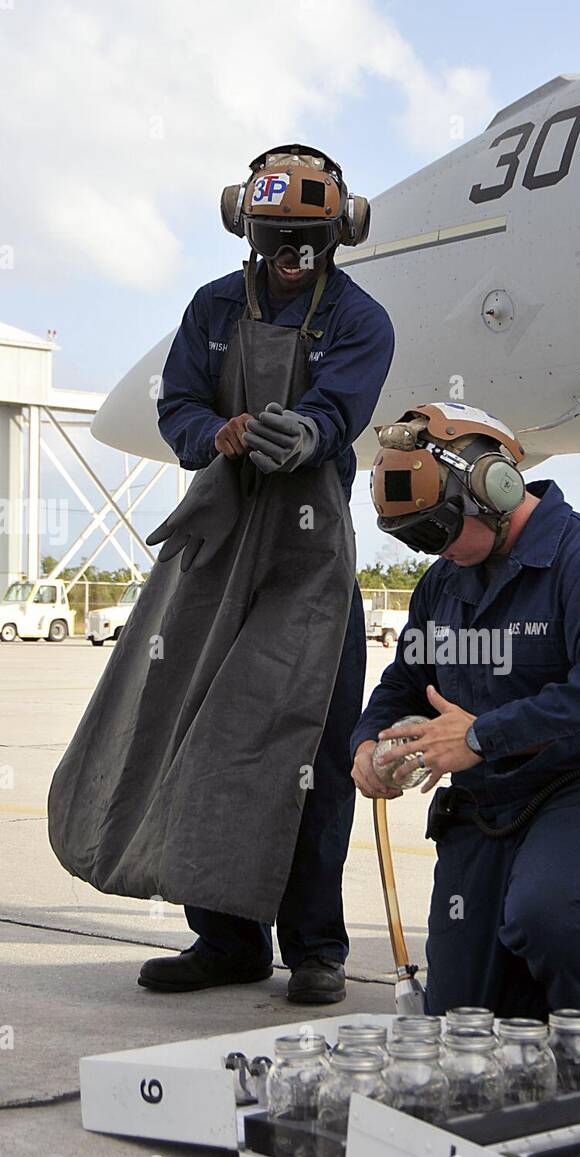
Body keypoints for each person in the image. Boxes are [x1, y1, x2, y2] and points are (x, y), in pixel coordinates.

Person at [137, 144, 395, 1005]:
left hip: (307, 556)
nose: (291, 255)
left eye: (307, 240)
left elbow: (337, 410)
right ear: (245, 228)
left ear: (338, 236)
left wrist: (308, 434)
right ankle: (226, 942)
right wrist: (217, 435)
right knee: (209, 739)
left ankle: (316, 948)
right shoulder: (210, 306)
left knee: (310, 752)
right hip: (218, 547)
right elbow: (177, 405)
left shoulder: (362, 320)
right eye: (276, 236)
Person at [350, 403, 580, 1062]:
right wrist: (367, 744)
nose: (435, 552)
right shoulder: (445, 584)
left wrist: (481, 736)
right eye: (416, 539)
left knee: (553, 916)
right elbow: (404, 683)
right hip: (483, 810)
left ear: (493, 485)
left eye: (438, 530)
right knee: (459, 1027)